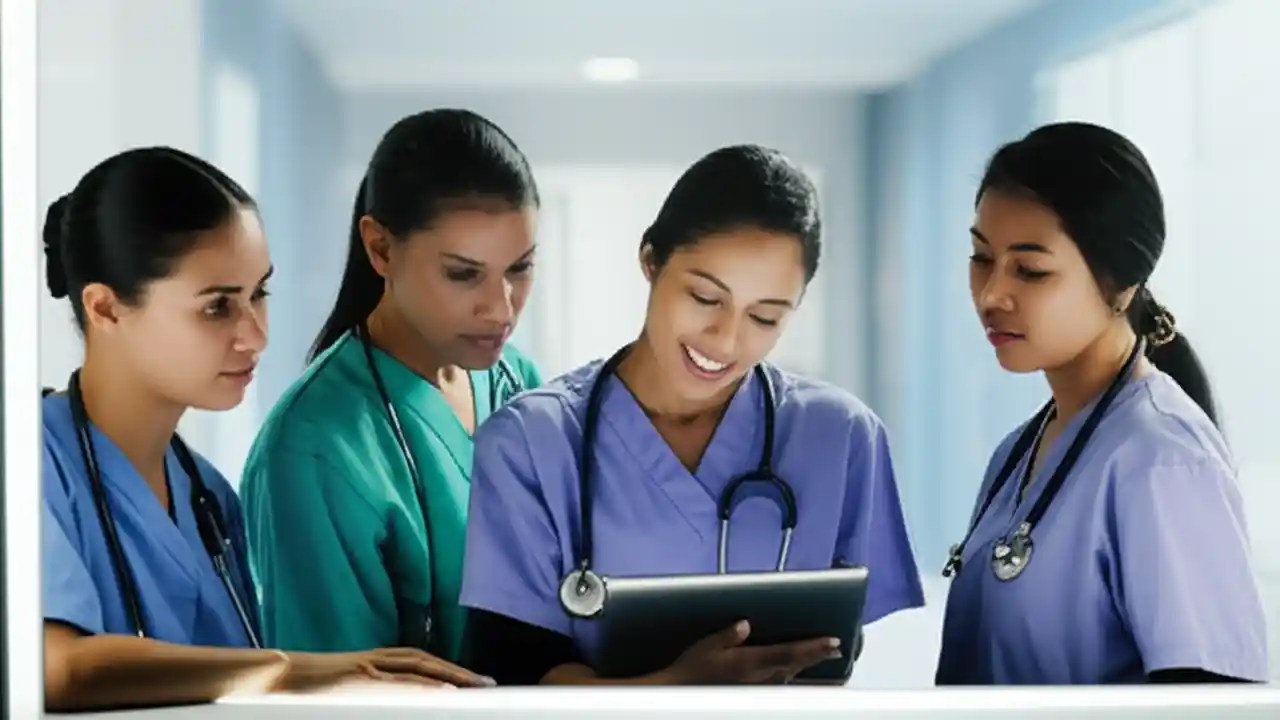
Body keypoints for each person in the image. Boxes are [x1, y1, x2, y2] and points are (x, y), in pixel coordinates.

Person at [41, 148, 489, 712]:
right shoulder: (34, 465)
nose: (255, 335)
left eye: (259, 294)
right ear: (105, 309)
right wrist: (302, 671)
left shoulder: (205, 492)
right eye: (217, 307)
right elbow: (58, 669)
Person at [459, 144, 925, 685]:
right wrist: (674, 689)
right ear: (651, 260)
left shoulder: (841, 438)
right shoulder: (530, 443)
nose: (726, 340)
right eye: (706, 297)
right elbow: (510, 674)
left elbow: (839, 646)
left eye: (766, 317)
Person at [935, 122, 1269, 685]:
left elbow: (1213, 702)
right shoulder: (1016, 455)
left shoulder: (1162, 458)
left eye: (1031, 269)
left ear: (1121, 285)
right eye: (980, 257)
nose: (992, 294)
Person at [240, 109, 543, 664]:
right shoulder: (314, 449)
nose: (502, 308)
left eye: (519, 268)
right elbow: (336, 697)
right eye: (463, 273)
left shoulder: (515, 382)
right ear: (380, 249)